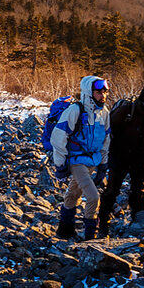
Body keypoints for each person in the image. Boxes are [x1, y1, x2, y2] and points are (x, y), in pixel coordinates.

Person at [97, 80, 144, 237]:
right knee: (111, 191)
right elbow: (108, 131)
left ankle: (138, 224)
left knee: (139, 193)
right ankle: (103, 223)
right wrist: (106, 156)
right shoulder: (127, 110)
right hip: (120, 157)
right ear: (143, 95)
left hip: (142, 161)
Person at [50, 75, 112, 241]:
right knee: (93, 197)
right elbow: (58, 137)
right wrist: (60, 166)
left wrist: (103, 165)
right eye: (99, 92)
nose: (103, 95)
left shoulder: (104, 113)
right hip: (76, 161)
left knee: (73, 194)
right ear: (88, 92)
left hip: (93, 160)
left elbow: (106, 141)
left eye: (105, 91)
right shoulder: (75, 110)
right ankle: (90, 237)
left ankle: (64, 230)